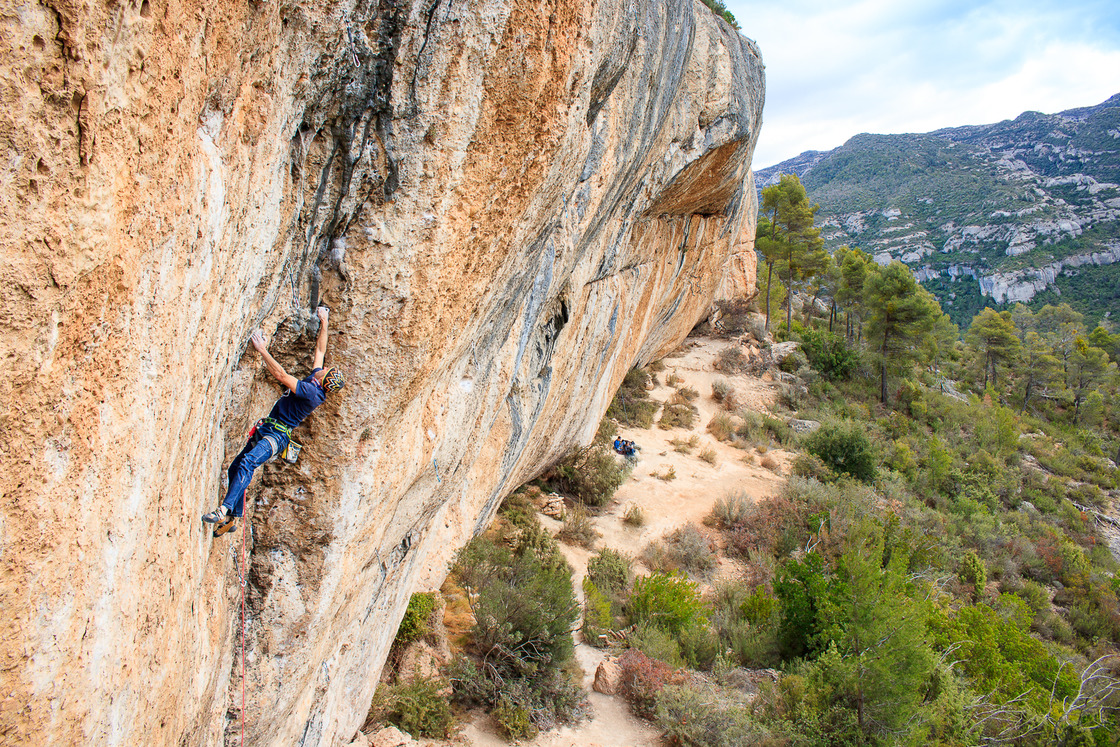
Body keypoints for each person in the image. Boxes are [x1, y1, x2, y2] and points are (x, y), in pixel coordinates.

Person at [202, 306, 345, 535]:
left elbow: (280, 375)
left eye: (326, 370)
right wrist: (324, 321)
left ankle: (223, 510)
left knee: (247, 462)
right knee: (235, 468)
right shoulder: (316, 382)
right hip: (269, 429)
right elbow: (320, 348)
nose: (324, 366)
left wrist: (262, 349)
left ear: (324, 379)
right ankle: (233, 518)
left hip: (276, 437)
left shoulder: (311, 392)